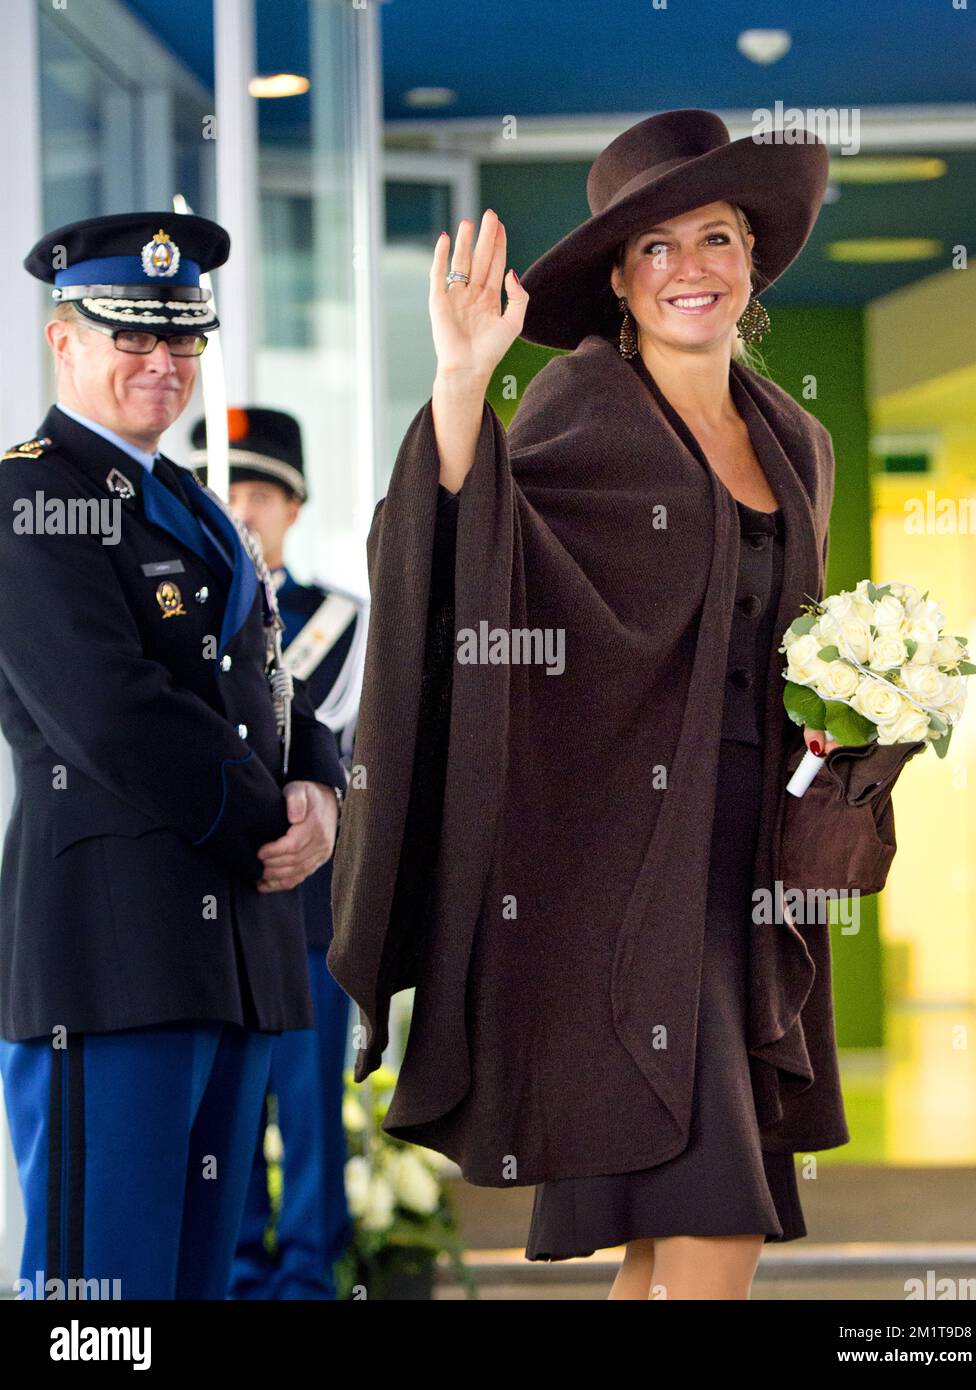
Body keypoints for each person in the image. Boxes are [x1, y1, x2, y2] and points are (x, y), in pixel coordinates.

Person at [330, 109, 879, 1302]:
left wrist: (854, 699)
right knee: (715, 1213)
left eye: (716, 238)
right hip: (621, 868)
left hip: (754, 858)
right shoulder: (586, 405)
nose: (690, 269)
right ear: (620, 281)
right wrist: (463, 383)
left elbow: (787, 640)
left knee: (665, 1227)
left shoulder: (797, 437)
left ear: (753, 262)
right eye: (655, 248)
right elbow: (469, 549)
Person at [0, 213, 344, 1300]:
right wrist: (270, 823)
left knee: (195, 1277)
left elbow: (262, 685)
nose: (164, 361)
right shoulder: (30, 495)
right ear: (64, 342)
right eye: (132, 337)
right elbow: (111, 713)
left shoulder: (190, 500)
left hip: (230, 946)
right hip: (111, 953)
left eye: (183, 339)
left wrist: (321, 787)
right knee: (105, 1286)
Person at [190, 407, 368, 1298]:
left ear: (293, 506)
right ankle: (234, 1274)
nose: (240, 509)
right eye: (223, 490)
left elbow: (311, 731)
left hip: (305, 911)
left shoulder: (338, 620)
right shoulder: (175, 616)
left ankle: (305, 1276)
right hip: (199, 902)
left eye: (259, 491)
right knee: (216, 1110)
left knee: (305, 1107)